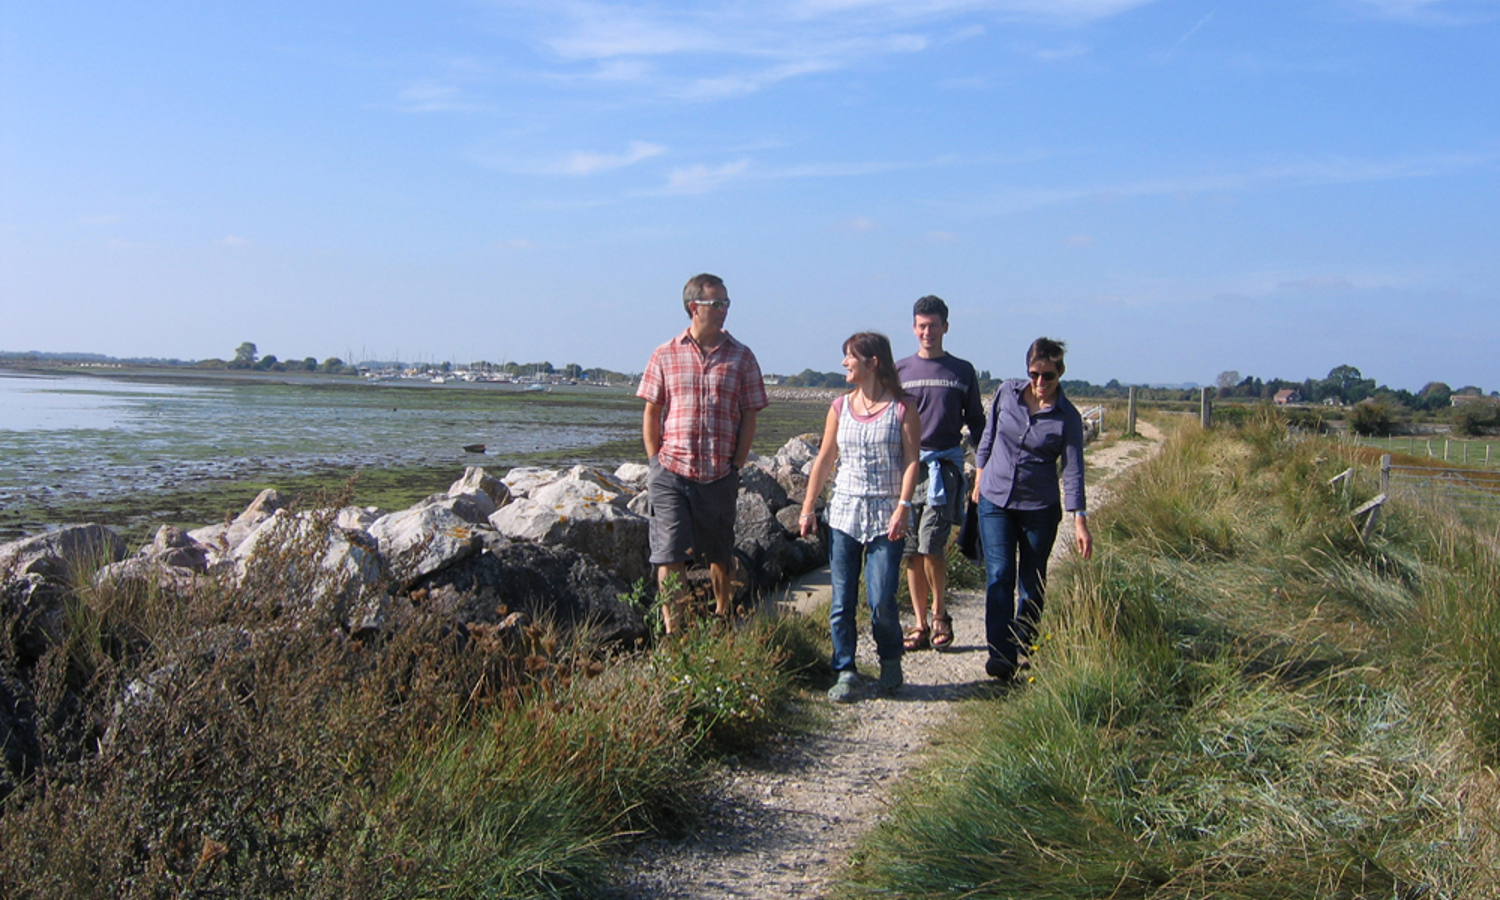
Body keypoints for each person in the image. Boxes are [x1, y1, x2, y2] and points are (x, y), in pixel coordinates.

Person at [638, 273, 769, 634]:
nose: (725, 310)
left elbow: (749, 415)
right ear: (694, 308)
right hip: (670, 470)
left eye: (727, 303)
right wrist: (654, 462)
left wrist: (737, 465)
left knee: (720, 553)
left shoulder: (742, 357)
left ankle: (722, 616)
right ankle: (674, 633)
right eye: (717, 304)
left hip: (718, 473)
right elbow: (652, 411)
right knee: (669, 553)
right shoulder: (665, 353)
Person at [800, 332, 922, 702]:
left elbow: (913, 460)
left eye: (850, 357)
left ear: (873, 362)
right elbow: (824, 459)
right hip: (844, 515)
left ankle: (890, 662)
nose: (844, 364)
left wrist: (903, 506)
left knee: (882, 598)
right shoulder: (839, 407)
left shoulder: (903, 408)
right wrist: (808, 507)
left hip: (887, 516)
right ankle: (846, 669)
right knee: (841, 602)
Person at [972, 337, 1093, 681]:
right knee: (998, 576)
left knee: (1031, 582)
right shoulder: (1006, 393)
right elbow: (988, 436)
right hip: (995, 500)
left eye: (1049, 376)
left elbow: (1073, 469)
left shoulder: (1067, 417)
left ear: (1060, 373)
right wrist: (979, 477)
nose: (1040, 383)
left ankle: (1025, 639)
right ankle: (1001, 656)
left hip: (1039, 507)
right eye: (1034, 374)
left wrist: (1080, 520)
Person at [895, 295, 985, 653]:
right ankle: (918, 623)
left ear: (945, 327)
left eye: (933, 325)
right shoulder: (900, 370)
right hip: (907, 470)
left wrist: (982, 468)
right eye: (921, 326)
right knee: (911, 550)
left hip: (943, 469)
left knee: (932, 543)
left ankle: (940, 615)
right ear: (913, 328)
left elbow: (977, 422)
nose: (926, 332)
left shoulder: (962, 371)